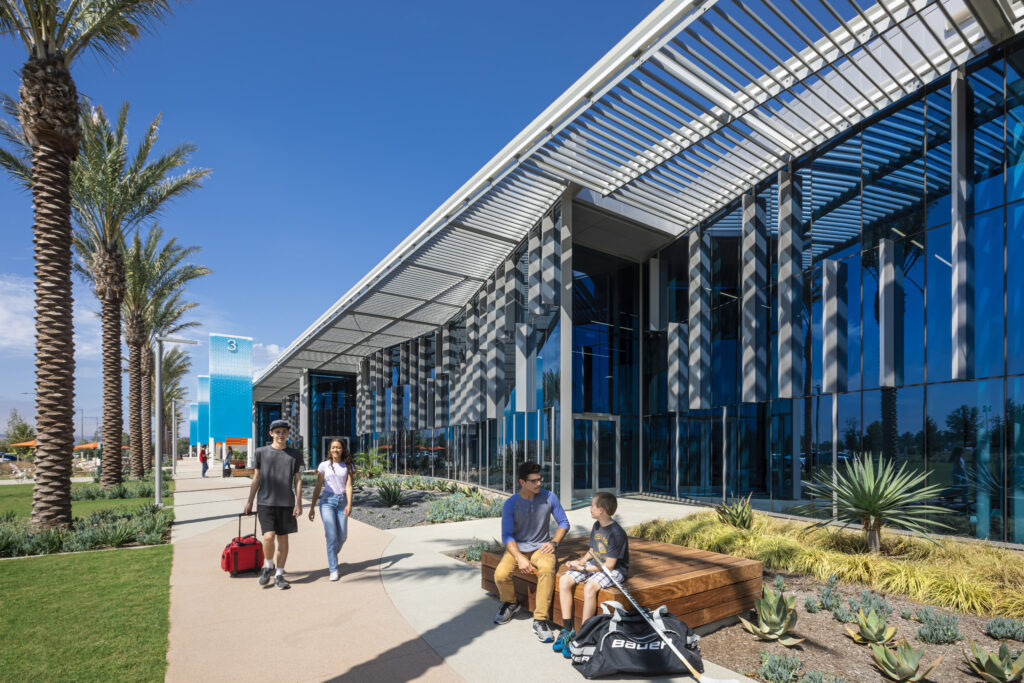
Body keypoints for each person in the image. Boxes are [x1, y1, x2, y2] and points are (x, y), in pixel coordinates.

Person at [493, 461, 570, 642]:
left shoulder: (550, 497)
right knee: (500, 574)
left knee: (547, 569)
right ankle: (511, 603)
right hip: (517, 548)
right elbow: (507, 536)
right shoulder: (511, 504)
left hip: (541, 548)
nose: (539, 484)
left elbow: (564, 523)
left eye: (540, 479)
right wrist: (519, 558)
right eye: (534, 481)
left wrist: (555, 542)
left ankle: (540, 620)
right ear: (522, 482)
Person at [552, 491, 630, 657]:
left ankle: (583, 635)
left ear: (601, 510)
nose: (590, 508)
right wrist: (579, 563)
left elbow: (609, 565)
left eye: (592, 505)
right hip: (597, 564)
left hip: (615, 569)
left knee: (590, 587)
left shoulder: (616, 533)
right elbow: (593, 550)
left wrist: (585, 569)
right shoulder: (597, 526)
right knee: (565, 580)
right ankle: (568, 629)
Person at [243, 419, 303, 590]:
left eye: (284, 431)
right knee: (268, 537)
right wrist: (249, 501)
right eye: (277, 432)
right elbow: (256, 478)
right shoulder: (261, 452)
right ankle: (268, 565)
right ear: (271, 434)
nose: (281, 434)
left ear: (287, 434)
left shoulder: (295, 454)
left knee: (283, 539)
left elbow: (298, 480)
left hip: (286, 504)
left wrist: (298, 503)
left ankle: (279, 574)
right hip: (265, 502)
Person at [308, 439, 354, 581]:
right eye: (333, 447)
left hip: (342, 502)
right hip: (327, 501)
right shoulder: (324, 465)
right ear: (329, 450)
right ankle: (333, 569)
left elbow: (349, 486)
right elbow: (318, 486)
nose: (335, 450)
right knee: (331, 536)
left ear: (342, 449)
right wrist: (312, 507)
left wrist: (349, 504)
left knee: (343, 536)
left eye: (338, 447)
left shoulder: (348, 466)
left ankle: (332, 553)